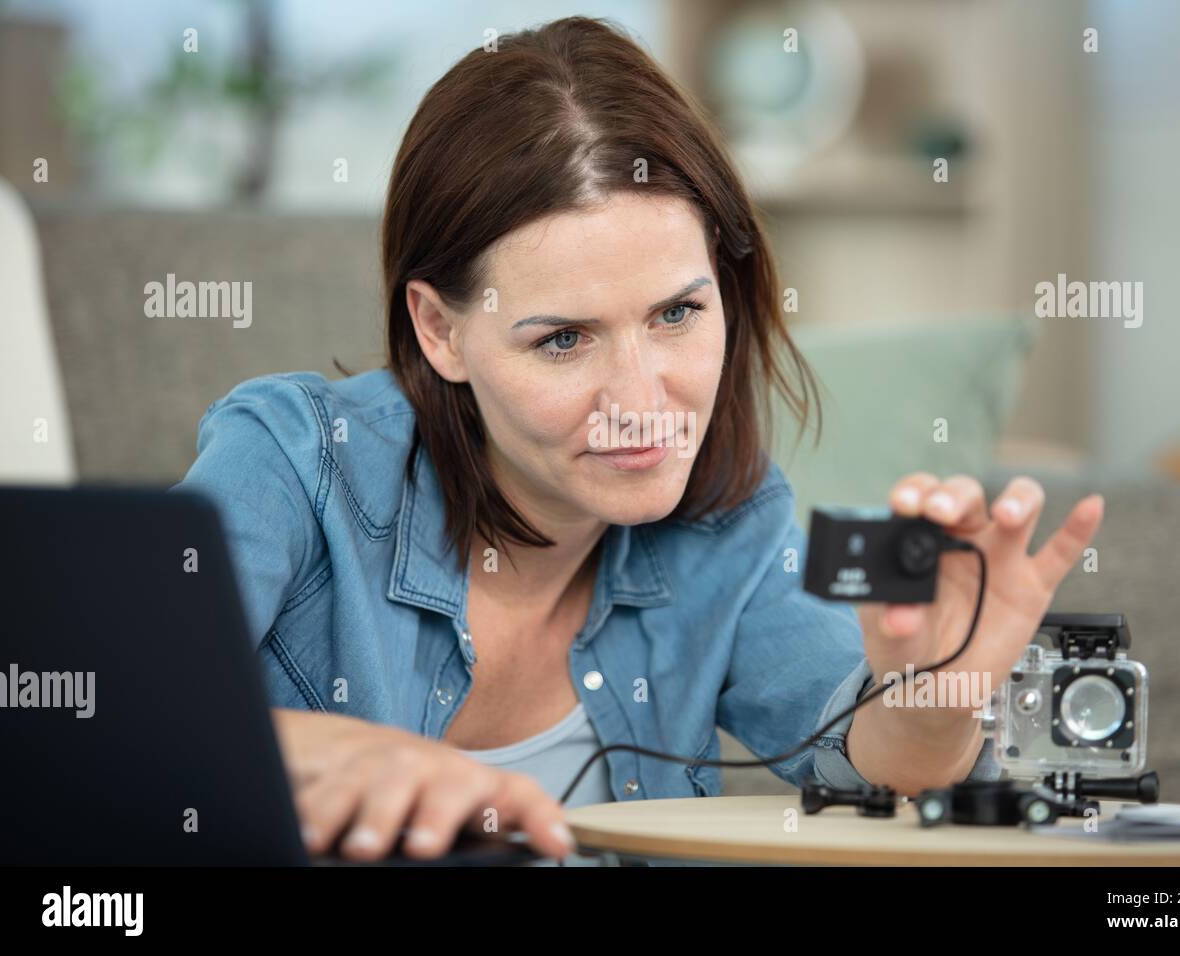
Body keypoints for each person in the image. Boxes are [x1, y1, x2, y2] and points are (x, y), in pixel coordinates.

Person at [174, 16, 1103, 864]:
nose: (640, 401)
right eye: (563, 339)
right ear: (439, 330)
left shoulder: (729, 529)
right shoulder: (295, 463)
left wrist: (933, 693)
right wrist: (333, 749)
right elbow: (94, 698)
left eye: (676, 314)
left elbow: (870, 764)